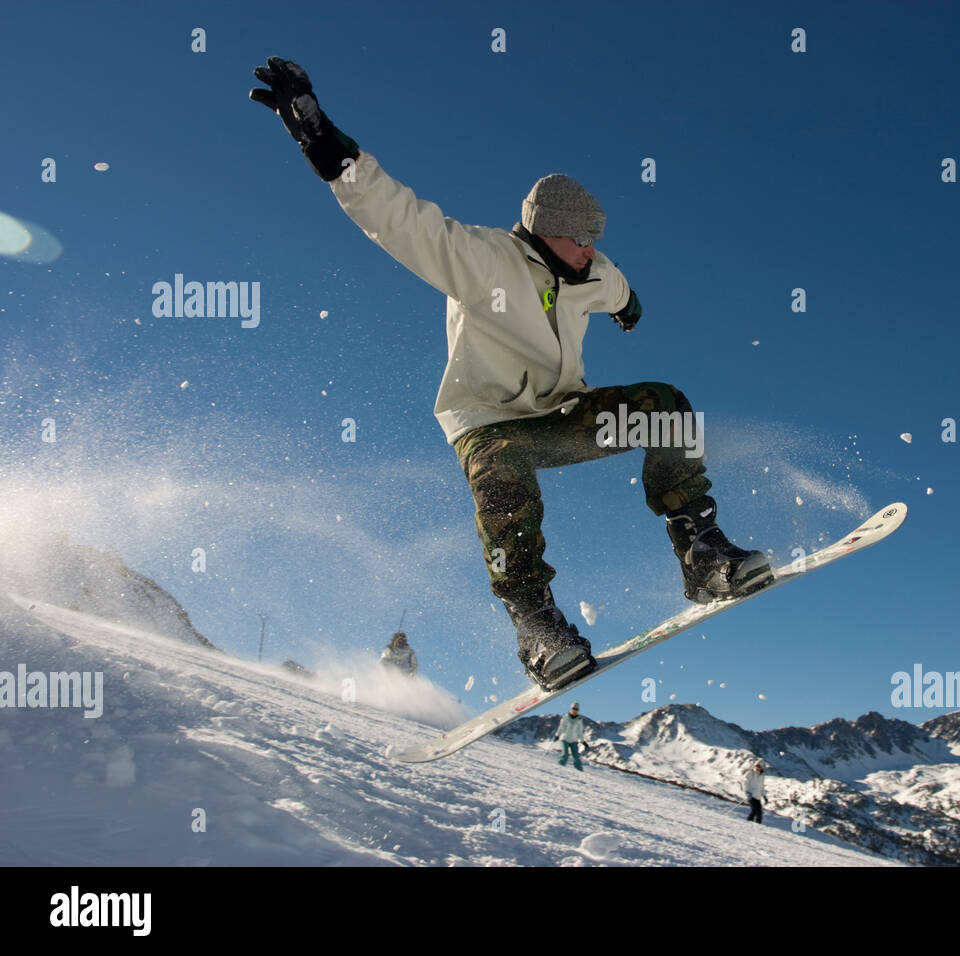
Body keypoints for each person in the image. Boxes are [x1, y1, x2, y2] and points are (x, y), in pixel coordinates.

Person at [251, 57, 773, 692]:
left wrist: (629, 308)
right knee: (500, 470)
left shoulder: (593, 273)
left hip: (562, 417)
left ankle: (703, 553)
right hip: (491, 425)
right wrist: (322, 140)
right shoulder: (482, 260)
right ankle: (536, 624)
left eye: (597, 237)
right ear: (550, 231)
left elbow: (618, 286)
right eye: (584, 236)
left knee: (665, 404)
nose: (593, 247)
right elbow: (396, 218)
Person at [555, 702, 585, 771]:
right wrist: (557, 735)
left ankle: (580, 771)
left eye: (576, 709)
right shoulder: (565, 717)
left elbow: (580, 732)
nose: (574, 710)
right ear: (571, 709)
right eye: (573, 708)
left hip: (573, 740)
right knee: (565, 755)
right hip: (564, 739)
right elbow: (561, 727)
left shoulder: (579, 720)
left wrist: (583, 741)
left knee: (576, 757)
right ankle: (560, 768)